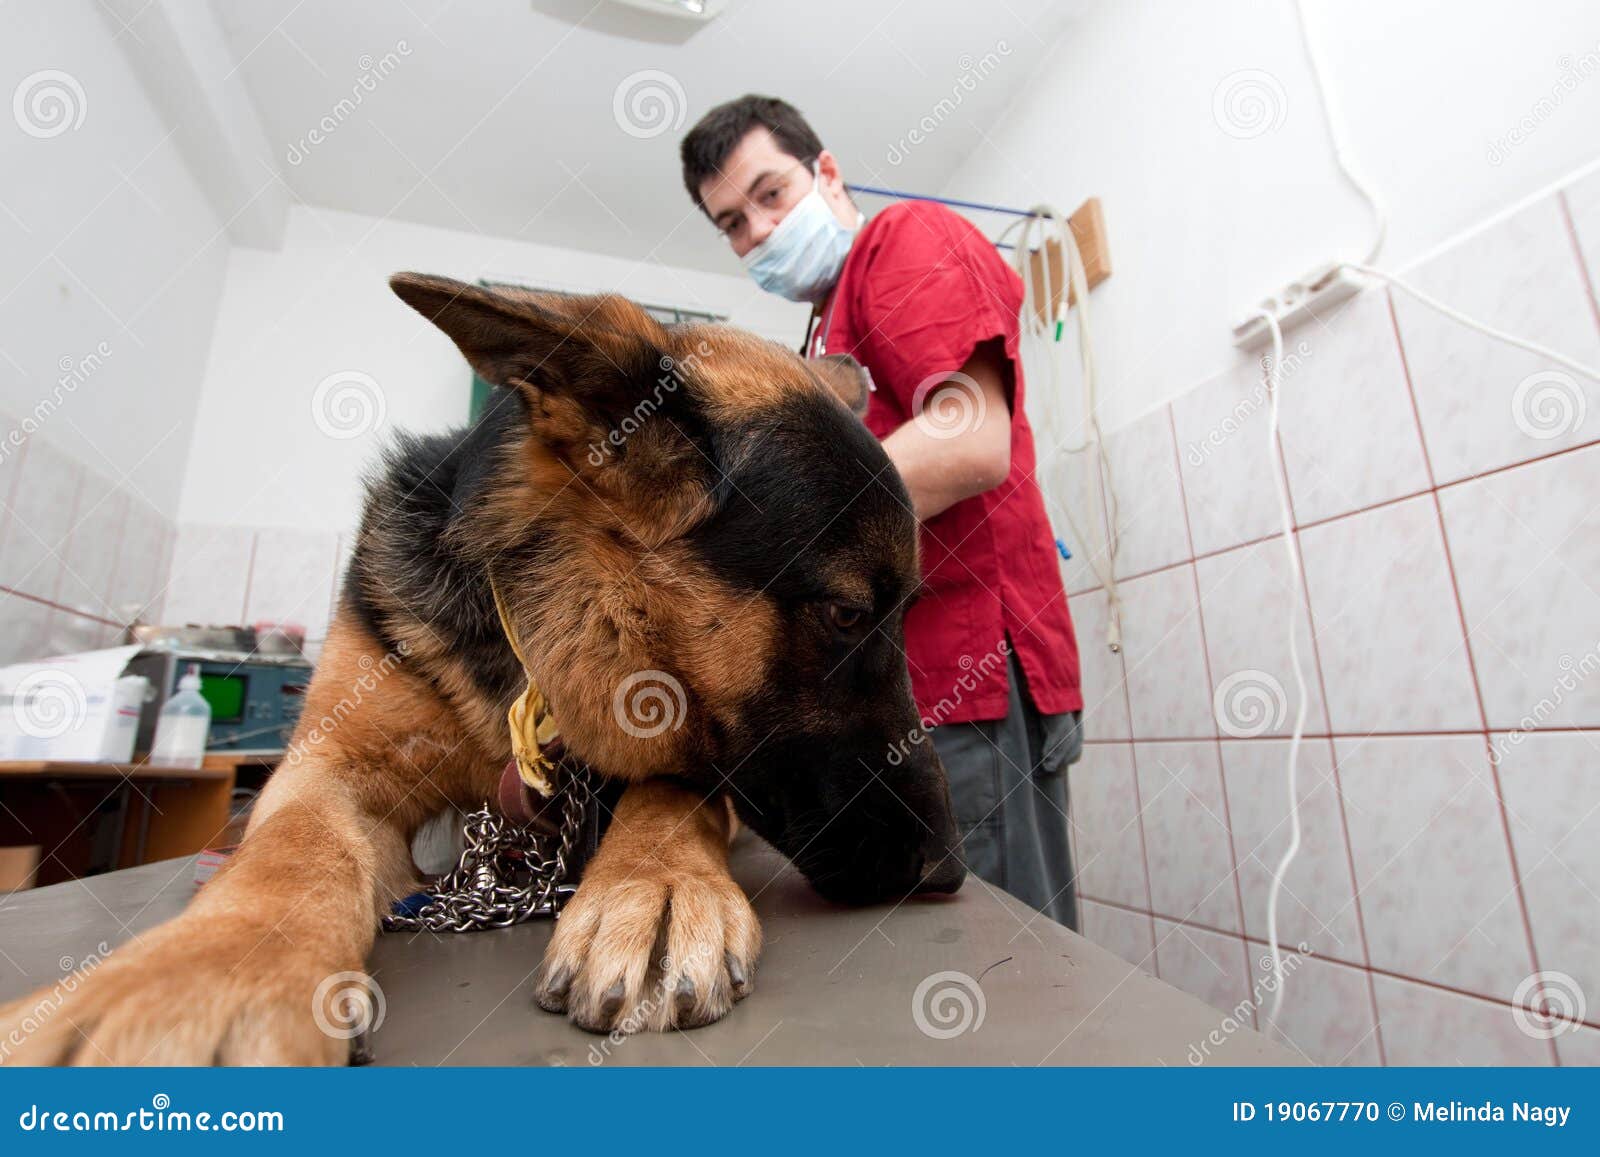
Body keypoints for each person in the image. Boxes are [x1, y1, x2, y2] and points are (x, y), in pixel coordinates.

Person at [680, 95, 1084, 927]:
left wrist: (763, 535)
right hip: (899, 695)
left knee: (1003, 973)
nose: (756, 232)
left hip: (966, 671)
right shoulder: (822, 335)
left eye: (770, 195)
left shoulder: (905, 241)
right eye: (732, 223)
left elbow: (971, 437)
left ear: (826, 172)